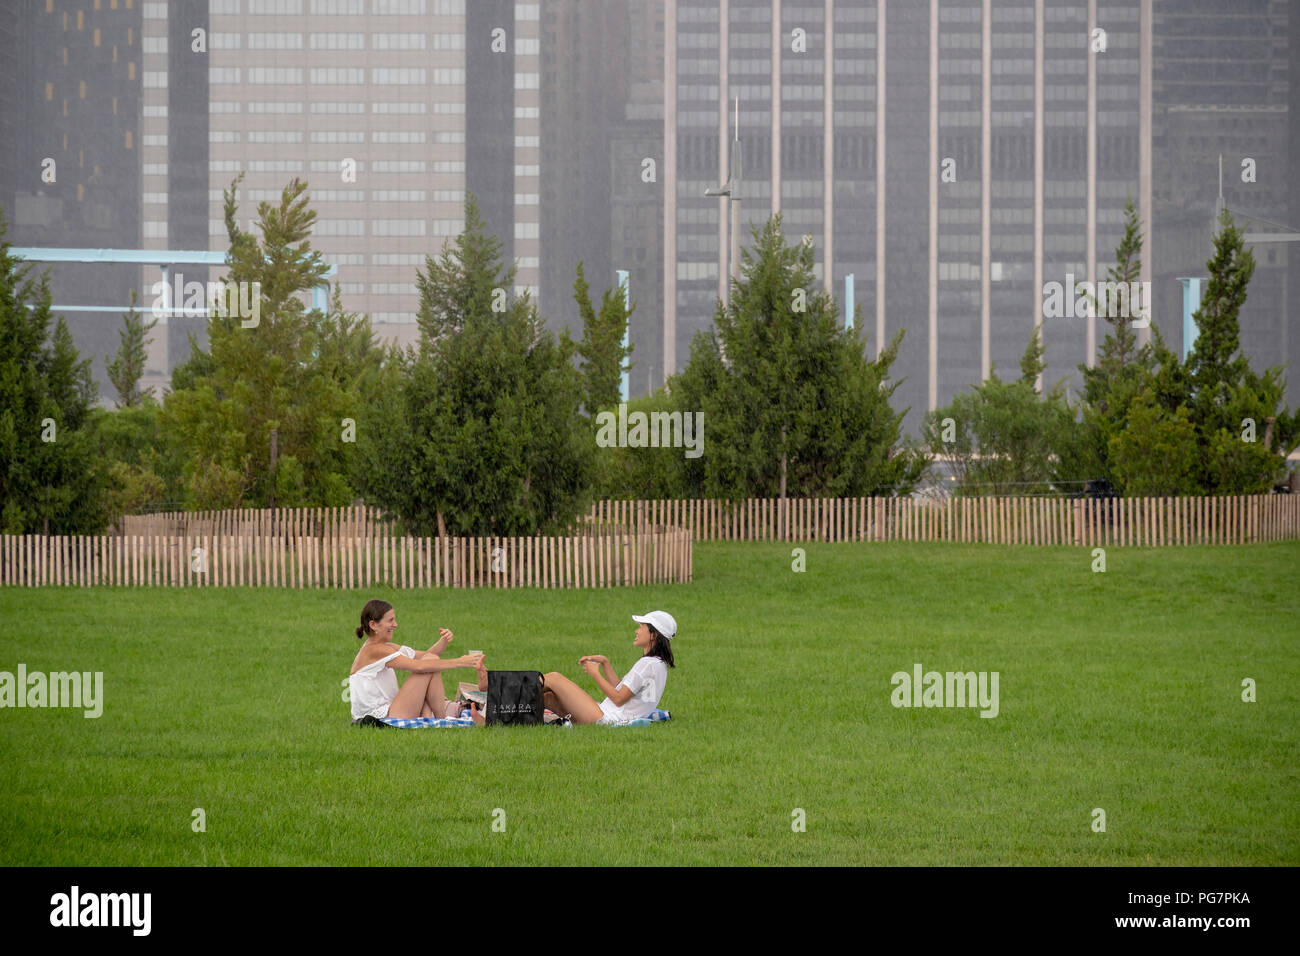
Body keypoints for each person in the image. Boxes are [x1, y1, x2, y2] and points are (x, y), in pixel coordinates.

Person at [349, 599, 484, 721]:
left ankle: (434, 720)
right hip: (383, 716)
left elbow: (427, 656)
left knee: (430, 662)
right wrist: (460, 662)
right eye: (390, 620)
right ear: (373, 625)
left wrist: (443, 641)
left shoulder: (385, 647)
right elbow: (419, 666)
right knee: (429, 665)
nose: (395, 625)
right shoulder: (374, 650)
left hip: (392, 710)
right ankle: (441, 720)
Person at [538, 610, 677, 725]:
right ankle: (517, 708)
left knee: (554, 679)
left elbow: (618, 698)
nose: (636, 631)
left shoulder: (647, 664)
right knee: (548, 697)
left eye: (641, 627)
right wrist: (606, 664)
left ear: (654, 634)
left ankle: (516, 687)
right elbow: (624, 690)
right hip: (606, 714)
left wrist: (595, 674)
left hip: (604, 718)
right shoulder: (657, 664)